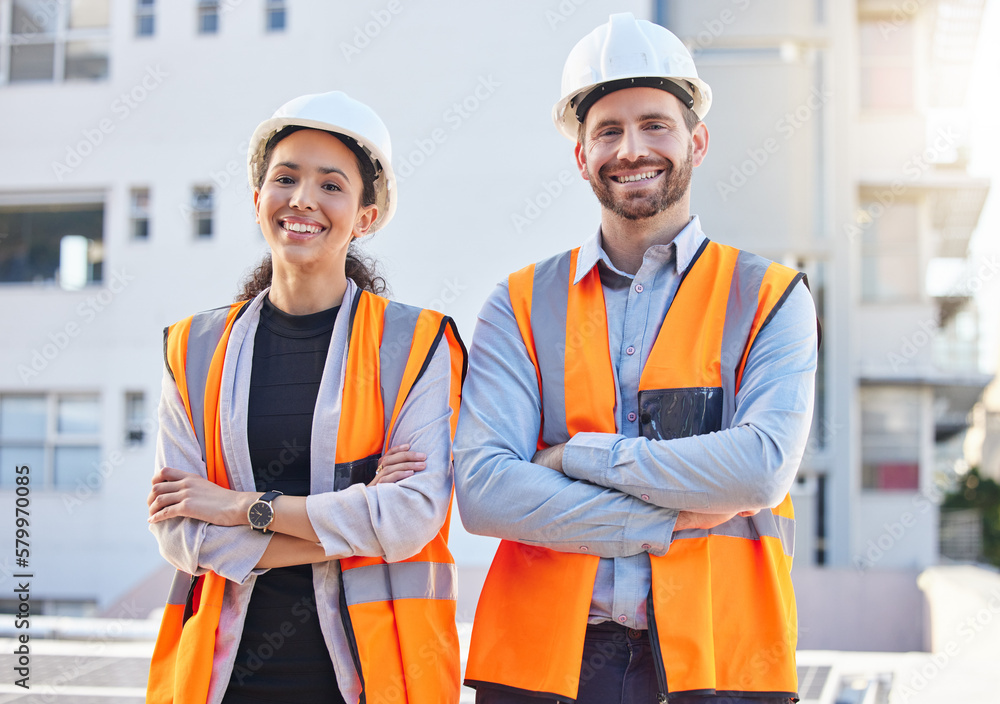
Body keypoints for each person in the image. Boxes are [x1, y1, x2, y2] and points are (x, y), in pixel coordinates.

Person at [454, 13, 818, 704]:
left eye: (655, 124)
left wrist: (574, 456)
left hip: (719, 661)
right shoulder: (520, 304)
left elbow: (759, 468)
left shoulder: (769, 297)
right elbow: (483, 490)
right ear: (581, 155)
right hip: (542, 668)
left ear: (697, 141)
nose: (632, 148)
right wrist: (665, 518)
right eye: (609, 131)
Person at [145, 91, 466, 704]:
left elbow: (409, 518)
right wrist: (357, 513)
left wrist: (241, 507)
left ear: (365, 217)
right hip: (222, 681)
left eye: (331, 185)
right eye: (285, 178)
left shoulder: (417, 343)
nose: (302, 200)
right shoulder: (191, 349)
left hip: (375, 680)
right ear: (258, 198)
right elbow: (182, 533)